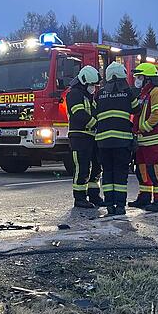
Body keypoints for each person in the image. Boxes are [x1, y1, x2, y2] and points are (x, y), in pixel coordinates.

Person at [95, 62, 139, 216]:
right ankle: (120, 206)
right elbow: (137, 109)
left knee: (107, 173)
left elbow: (94, 112)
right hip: (122, 141)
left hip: (103, 142)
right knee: (120, 174)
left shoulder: (99, 94)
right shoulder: (128, 92)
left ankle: (109, 205)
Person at [128, 63, 158, 213]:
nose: (137, 79)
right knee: (142, 170)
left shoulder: (156, 92)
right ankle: (144, 197)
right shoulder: (142, 93)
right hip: (141, 140)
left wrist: (143, 127)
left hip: (152, 140)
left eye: (139, 77)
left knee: (156, 170)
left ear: (148, 78)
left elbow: (157, 114)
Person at [66, 65, 104, 209]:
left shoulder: (89, 96)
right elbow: (79, 114)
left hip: (92, 137)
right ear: (83, 81)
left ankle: (94, 196)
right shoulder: (74, 94)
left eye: (95, 85)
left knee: (96, 168)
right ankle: (80, 198)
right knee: (82, 168)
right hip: (79, 137)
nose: (93, 87)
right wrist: (97, 124)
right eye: (91, 85)